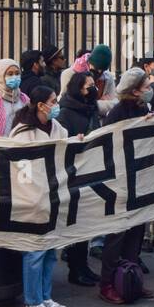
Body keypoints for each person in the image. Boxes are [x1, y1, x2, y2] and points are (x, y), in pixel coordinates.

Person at [98, 70, 154, 303]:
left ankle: (131, 279)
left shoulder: (142, 109)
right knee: (117, 234)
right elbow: (108, 143)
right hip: (121, 179)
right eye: (145, 86)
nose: (149, 89)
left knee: (136, 232)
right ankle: (107, 284)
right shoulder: (118, 113)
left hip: (140, 177)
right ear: (135, 90)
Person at [10, 86, 69, 307]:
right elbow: (19, 170)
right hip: (31, 200)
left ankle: (45, 297)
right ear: (41, 105)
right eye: (53, 101)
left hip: (52, 198)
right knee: (34, 252)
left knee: (50, 252)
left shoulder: (55, 127)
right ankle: (32, 301)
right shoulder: (23, 132)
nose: (56, 105)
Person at [54, 70, 102, 286]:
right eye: (88, 86)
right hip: (74, 172)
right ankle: (76, 269)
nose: (92, 89)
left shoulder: (90, 108)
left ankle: (83, 266)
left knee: (86, 222)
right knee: (75, 222)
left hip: (89, 168)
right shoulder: (66, 111)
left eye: (93, 85)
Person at [0, 57, 29, 136]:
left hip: (21, 145)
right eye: (10, 74)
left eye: (17, 73)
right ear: (0, 77)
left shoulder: (24, 98)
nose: (15, 77)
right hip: (0, 145)